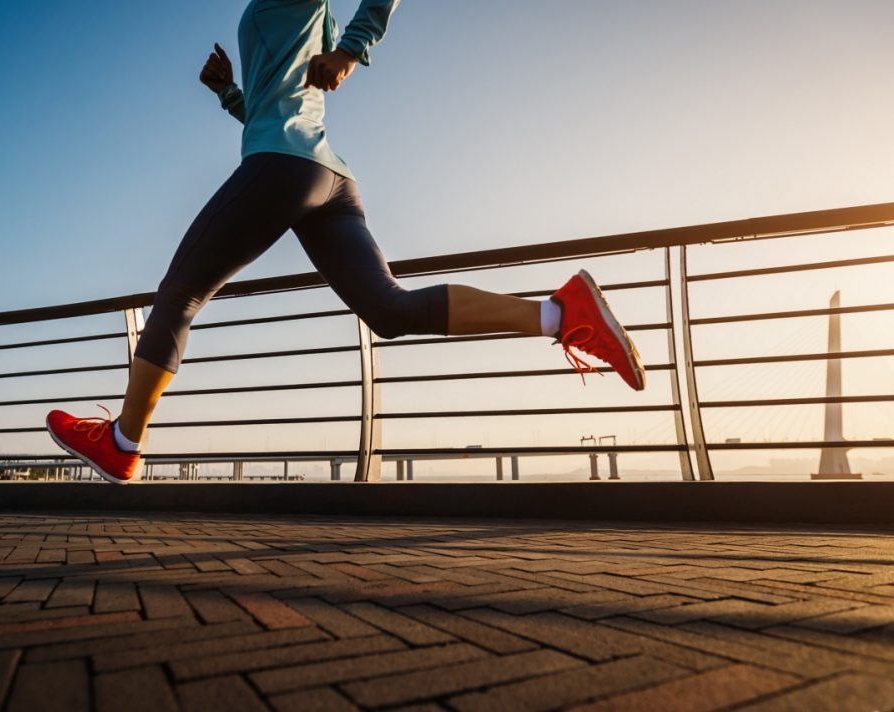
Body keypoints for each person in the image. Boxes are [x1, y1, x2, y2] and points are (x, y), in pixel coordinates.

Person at [47, 0, 645, 484]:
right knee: (388, 309)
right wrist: (230, 93)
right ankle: (562, 315)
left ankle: (123, 443)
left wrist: (352, 50)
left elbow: (307, 91)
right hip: (325, 176)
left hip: (286, 166)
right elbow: (273, 110)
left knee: (179, 292)